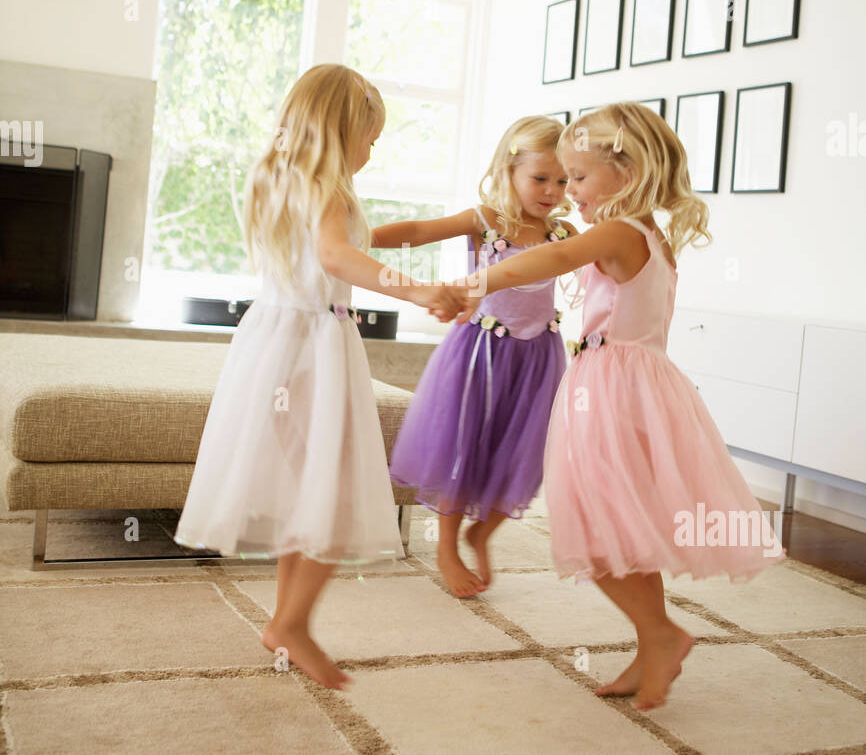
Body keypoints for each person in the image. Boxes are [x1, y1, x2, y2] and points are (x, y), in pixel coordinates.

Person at [437, 102, 786, 709]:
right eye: (563, 177)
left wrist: (474, 283)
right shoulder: (649, 233)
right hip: (637, 386)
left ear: (628, 172)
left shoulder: (618, 231)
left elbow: (548, 258)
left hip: (612, 390)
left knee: (594, 529)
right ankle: (653, 641)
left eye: (578, 177)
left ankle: (660, 633)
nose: (568, 190)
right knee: (620, 527)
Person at [174, 64, 451, 690]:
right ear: (341, 128)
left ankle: (286, 619)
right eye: (370, 138)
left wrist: (454, 225)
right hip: (315, 344)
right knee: (339, 492)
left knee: (309, 486)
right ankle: (292, 624)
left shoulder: (278, 178)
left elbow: (357, 240)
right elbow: (337, 256)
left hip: (274, 339)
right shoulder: (330, 188)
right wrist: (422, 290)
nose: (372, 153)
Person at [381, 115, 575, 597]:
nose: (551, 190)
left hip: (538, 359)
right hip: (480, 354)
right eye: (540, 178)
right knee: (462, 448)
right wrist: (354, 235)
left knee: (522, 454)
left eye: (563, 180)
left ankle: (481, 531)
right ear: (509, 170)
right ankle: (446, 548)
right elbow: (420, 229)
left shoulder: (564, 233)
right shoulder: (486, 222)